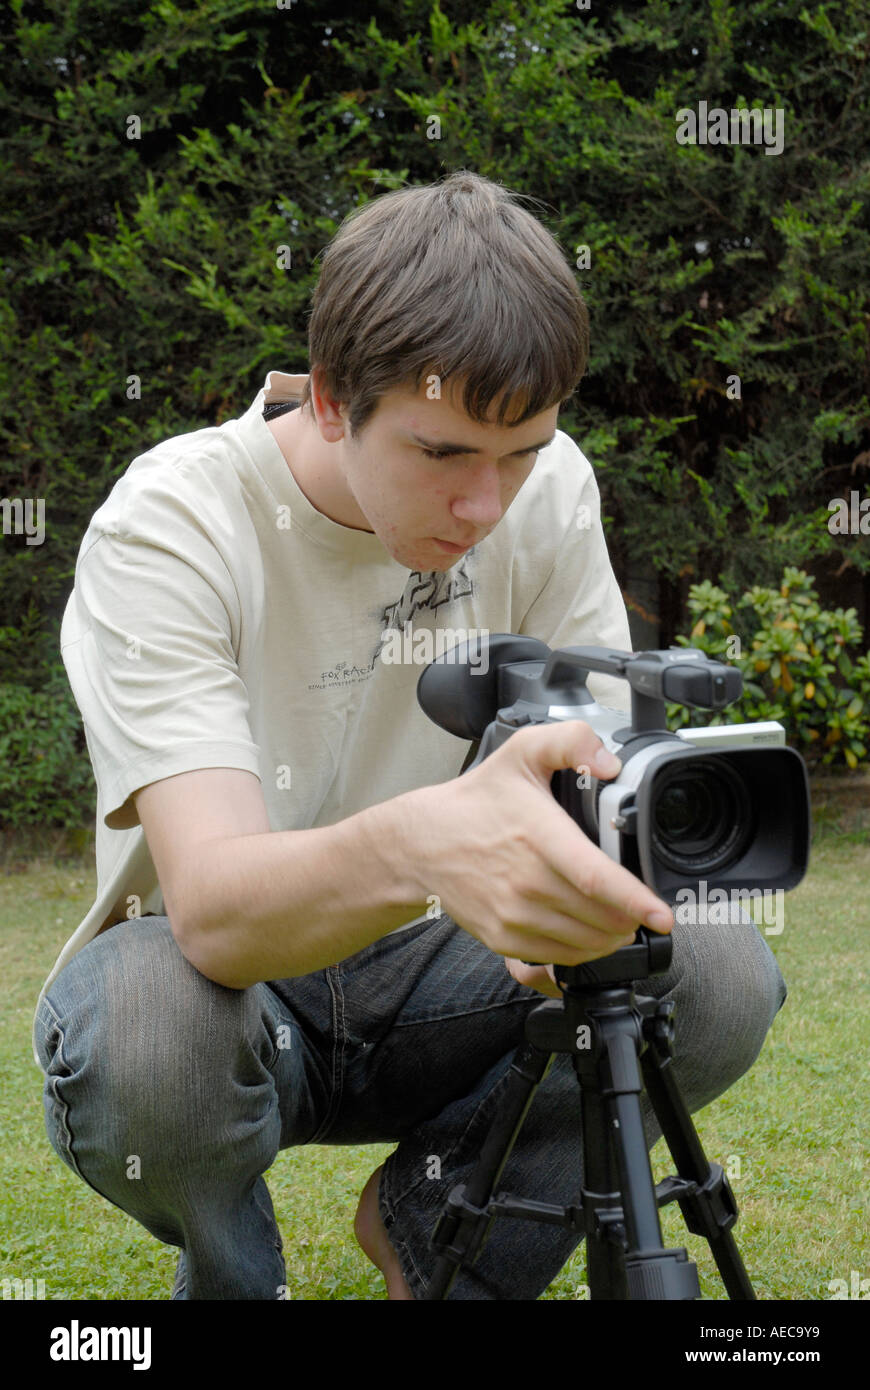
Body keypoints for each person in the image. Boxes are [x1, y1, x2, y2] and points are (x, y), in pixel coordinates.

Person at [32, 169, 786, 1300]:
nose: (488, 505)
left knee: (716, 965)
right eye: (443, 455)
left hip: (454, 962)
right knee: (145, 1033)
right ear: (333, 402)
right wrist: (429, 840)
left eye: (521, 450)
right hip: (231, 998)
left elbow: (600, 753)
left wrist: (587, 866)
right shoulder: (173, 522)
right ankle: (235, 1281)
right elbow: (219, 911)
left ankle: (442, 1233)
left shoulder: (551, 492)